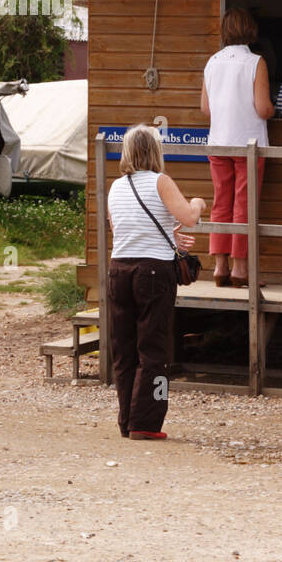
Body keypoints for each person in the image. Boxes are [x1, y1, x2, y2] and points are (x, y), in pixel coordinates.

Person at [106, 124, 206, 440]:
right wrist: (199, 203)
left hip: (118, 270)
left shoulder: (115, 187)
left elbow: (120, 229)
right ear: (155, 151)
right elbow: (189, 217)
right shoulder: (161, 181)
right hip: (153, 273)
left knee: (125, 350)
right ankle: (146, 423)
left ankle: (127, 420)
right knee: (154, 349)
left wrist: (168, 234)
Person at [201, 8, 274, 286]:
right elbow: (263, 108)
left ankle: (219, 267)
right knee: (244, 205)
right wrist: (275, 107)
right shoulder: (255, 62)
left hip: (218, 140)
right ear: (251, 30)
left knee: (221, 202)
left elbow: (206, 108)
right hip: (248, 143)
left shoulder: (212, 62)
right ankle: (240, 270)